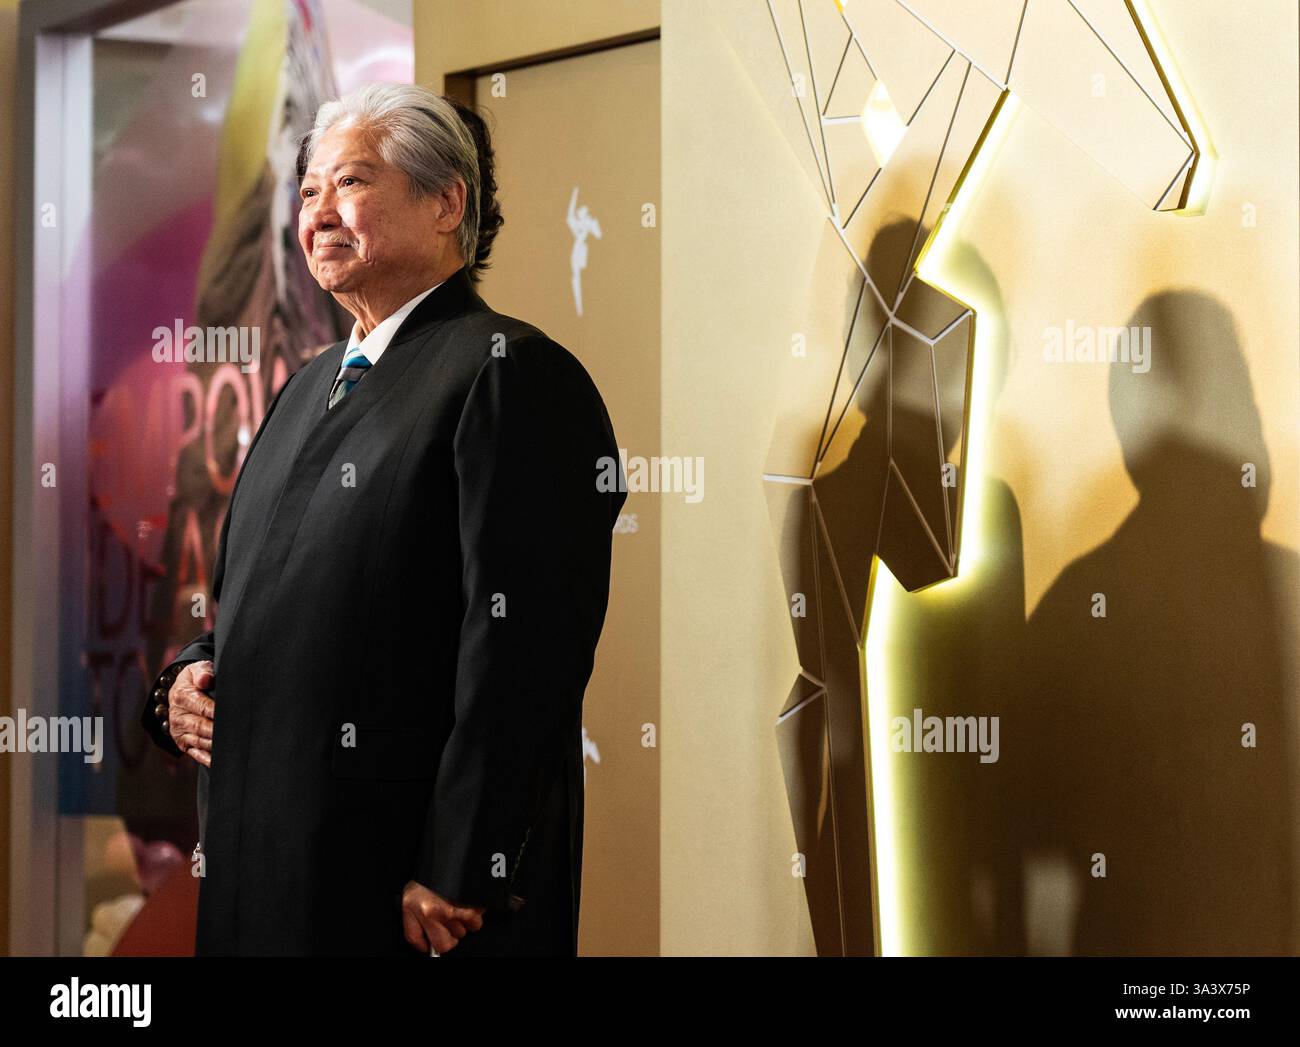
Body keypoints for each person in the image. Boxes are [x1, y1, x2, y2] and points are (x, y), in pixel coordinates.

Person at [140, 83, 627, 956]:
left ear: (448, 203)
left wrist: (461, 864)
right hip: (261, 878)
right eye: (307, 190)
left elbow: (524, 654)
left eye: (350, 183)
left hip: (403, 899)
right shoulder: (303, 387)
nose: (318, 212)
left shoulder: (508, 373)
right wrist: (183, 681)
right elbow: (259, 603)